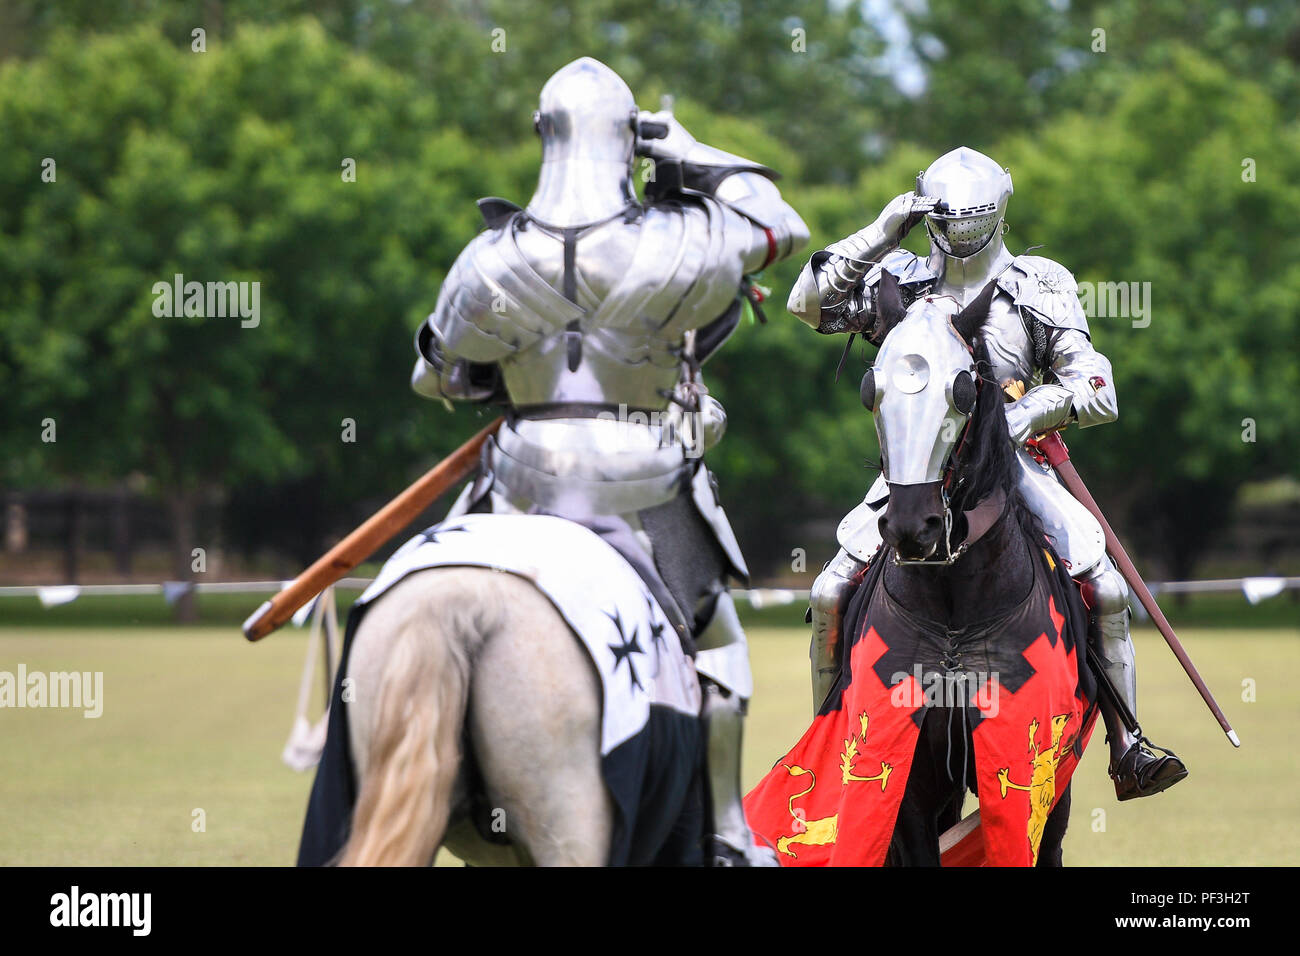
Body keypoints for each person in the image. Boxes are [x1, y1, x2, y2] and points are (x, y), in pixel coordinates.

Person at [411, 57, 809, 861]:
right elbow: (782, 229)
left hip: (518, 479)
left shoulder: (489, 256)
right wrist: (696, 157)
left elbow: (437, 378)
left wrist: (509, 369)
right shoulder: (683, 235)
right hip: (643, 478)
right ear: (633, 140)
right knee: (717, 645)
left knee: (427, 579)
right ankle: (727, 832)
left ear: (543, 135)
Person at [787, 146, 1186, 801]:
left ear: (998, 213)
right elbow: (807, 304)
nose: (960, 232)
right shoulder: (901, 277)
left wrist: (1034, 410)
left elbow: (1096, 383)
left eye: (972, 219)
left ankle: (1128, 744)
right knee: (831, 592)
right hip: (917, 470)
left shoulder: (1038, 281)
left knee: (1105, 586)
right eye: (947, 218)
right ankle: (832, 751)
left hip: (1012, 467)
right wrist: (884, 228)